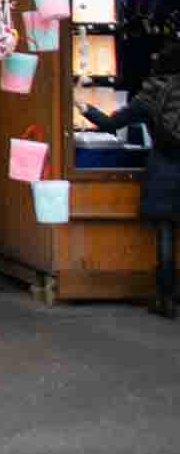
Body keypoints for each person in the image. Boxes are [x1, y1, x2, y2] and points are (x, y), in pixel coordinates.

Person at [83, 41, 180, 319]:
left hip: (163, 169)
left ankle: (165, 299)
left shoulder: (150, 94)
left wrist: (85, 108)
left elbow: (111, 125)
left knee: (165, 234)